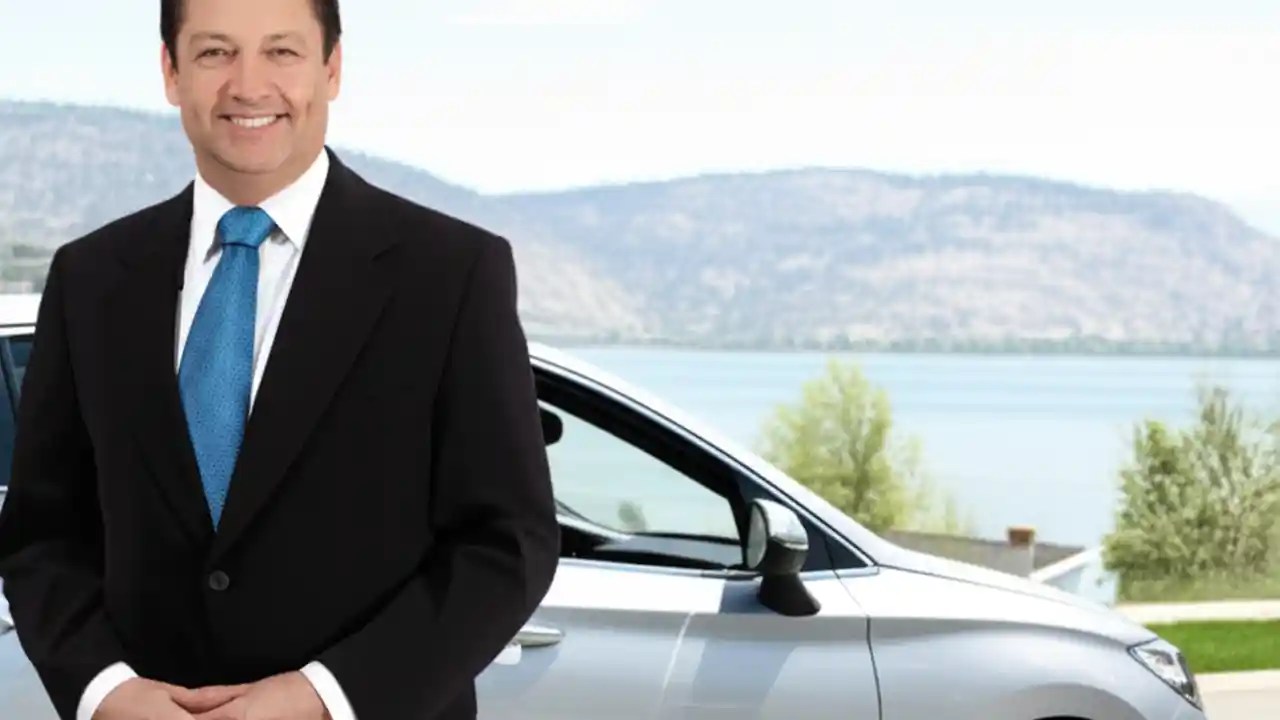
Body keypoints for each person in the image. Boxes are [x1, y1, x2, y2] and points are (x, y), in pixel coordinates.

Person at [0, 0, 560, 718]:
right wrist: (107, 692)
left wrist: (323, 696)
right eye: (214, 53)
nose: (248, 85)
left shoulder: (451, 274)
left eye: (282, 53)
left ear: (332, 67)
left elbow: (509, 541)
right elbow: (44, 534)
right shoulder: (91, 278)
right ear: (171, 72)